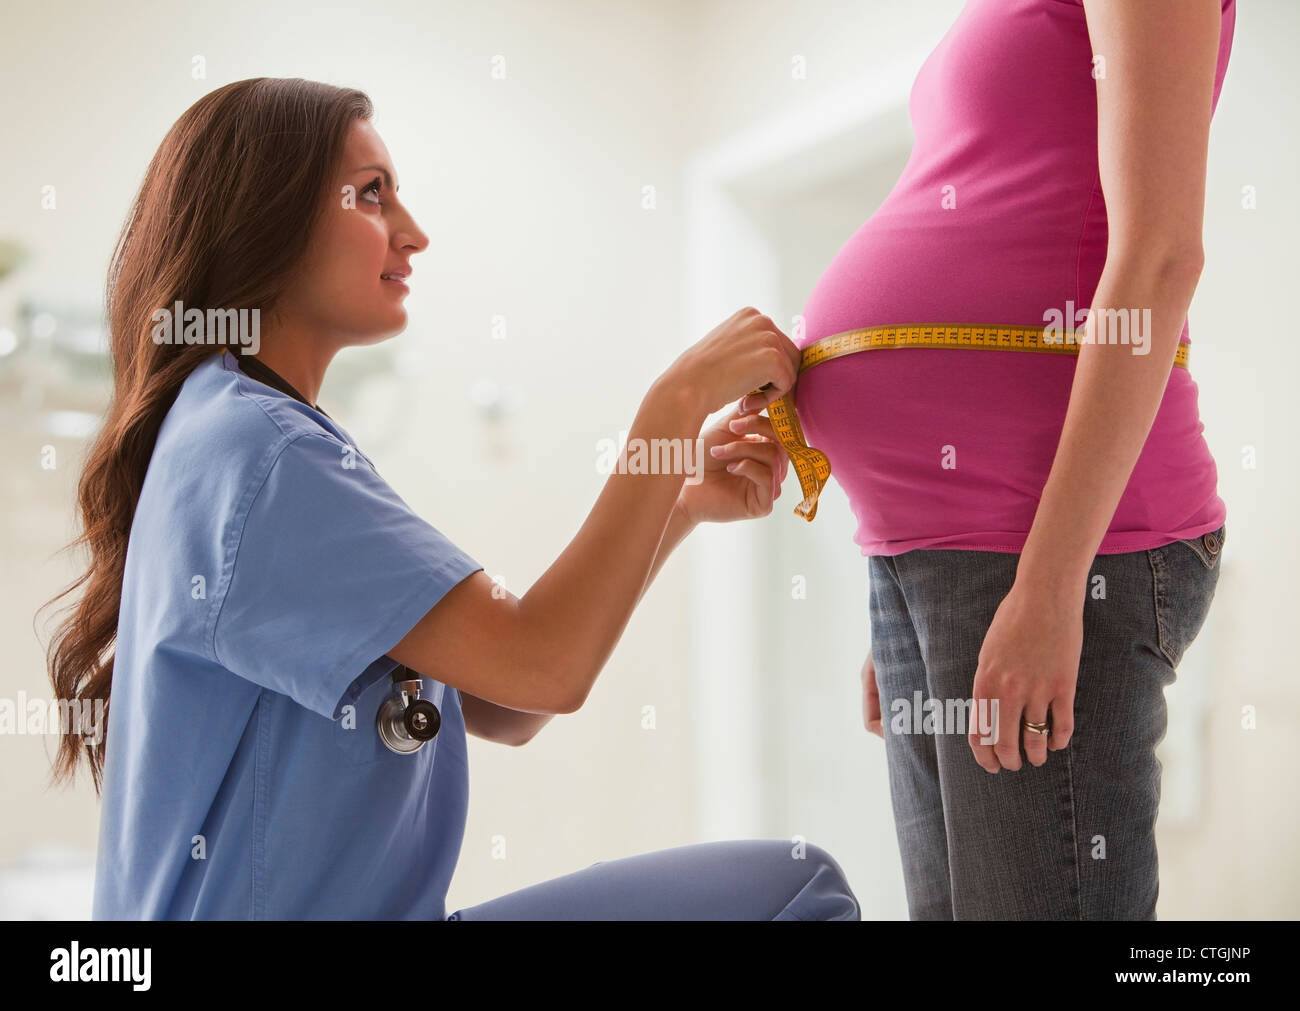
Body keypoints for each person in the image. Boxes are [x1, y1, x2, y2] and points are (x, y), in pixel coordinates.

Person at [40, 77, 859, 921]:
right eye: (370, 195)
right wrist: (674, 400)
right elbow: (546, 663)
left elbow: (514, 702)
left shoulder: (243, 435)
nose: (413, 233)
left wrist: (679, 503)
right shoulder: (261, 455)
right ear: (265, 220)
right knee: (798, 889)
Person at [785, 0, 1235, 918]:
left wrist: (1049, 582)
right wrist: (908, 575)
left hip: (1052, 543)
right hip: (935, 557)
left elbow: (1157, 256)